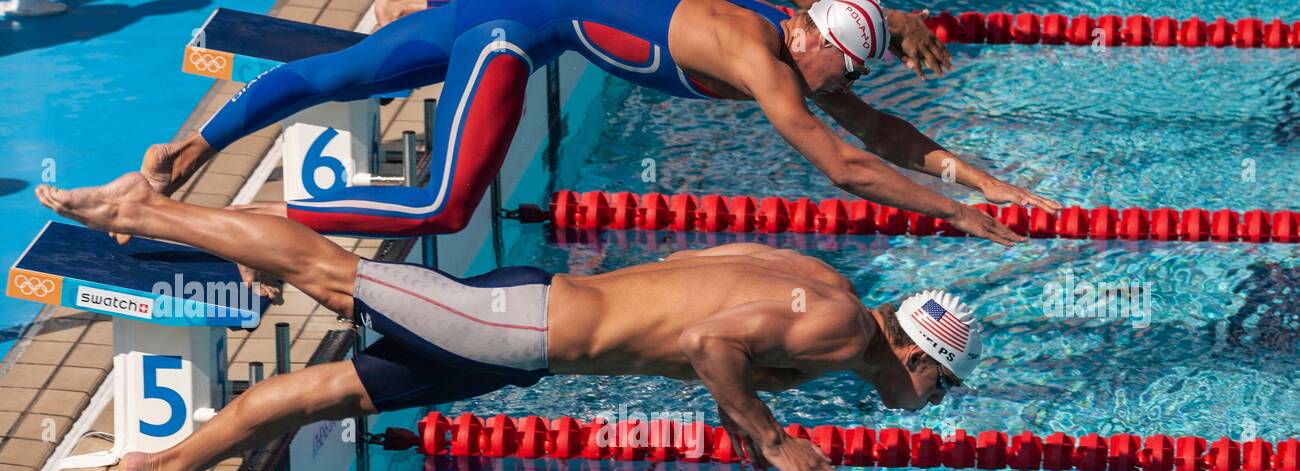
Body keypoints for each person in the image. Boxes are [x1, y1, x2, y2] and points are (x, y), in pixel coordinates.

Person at [36, 173, 984, 471]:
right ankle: (148, 210)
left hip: (529, 322)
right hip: (516, 331)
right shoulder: (833, 329)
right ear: (914, 353)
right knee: (330, 272)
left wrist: (752, 397)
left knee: (328, 391)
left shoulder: (824, 283)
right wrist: (768, 438)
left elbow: (702, 278)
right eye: (936, 388)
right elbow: (708, 345)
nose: (926, 406)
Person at [138, 0, 1056, 243]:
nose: (834, 87)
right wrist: (956, 217)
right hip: (512, 28)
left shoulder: (793, 36)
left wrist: (977, 176)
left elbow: (877, 131)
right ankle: (230, 219)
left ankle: (183, 151)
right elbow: (848, 166)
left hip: (514, 5)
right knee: (443, 209)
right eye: (838, 71)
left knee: (348, 69)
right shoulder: (756, 56)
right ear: (812, 39)